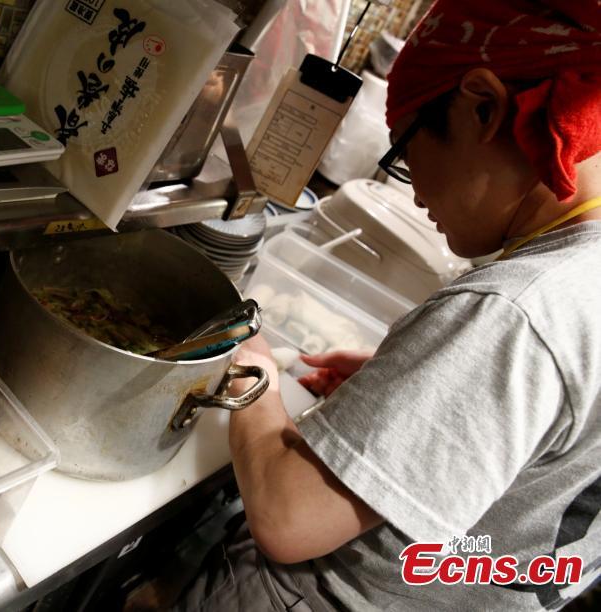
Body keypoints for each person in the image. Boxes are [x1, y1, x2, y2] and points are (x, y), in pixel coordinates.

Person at [171, 0, 601, 610]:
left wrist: (254, 368)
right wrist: (410, 396)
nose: (413, 185)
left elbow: (288, 516)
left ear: (484, 107)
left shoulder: (517, 313)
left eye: (402, 145)